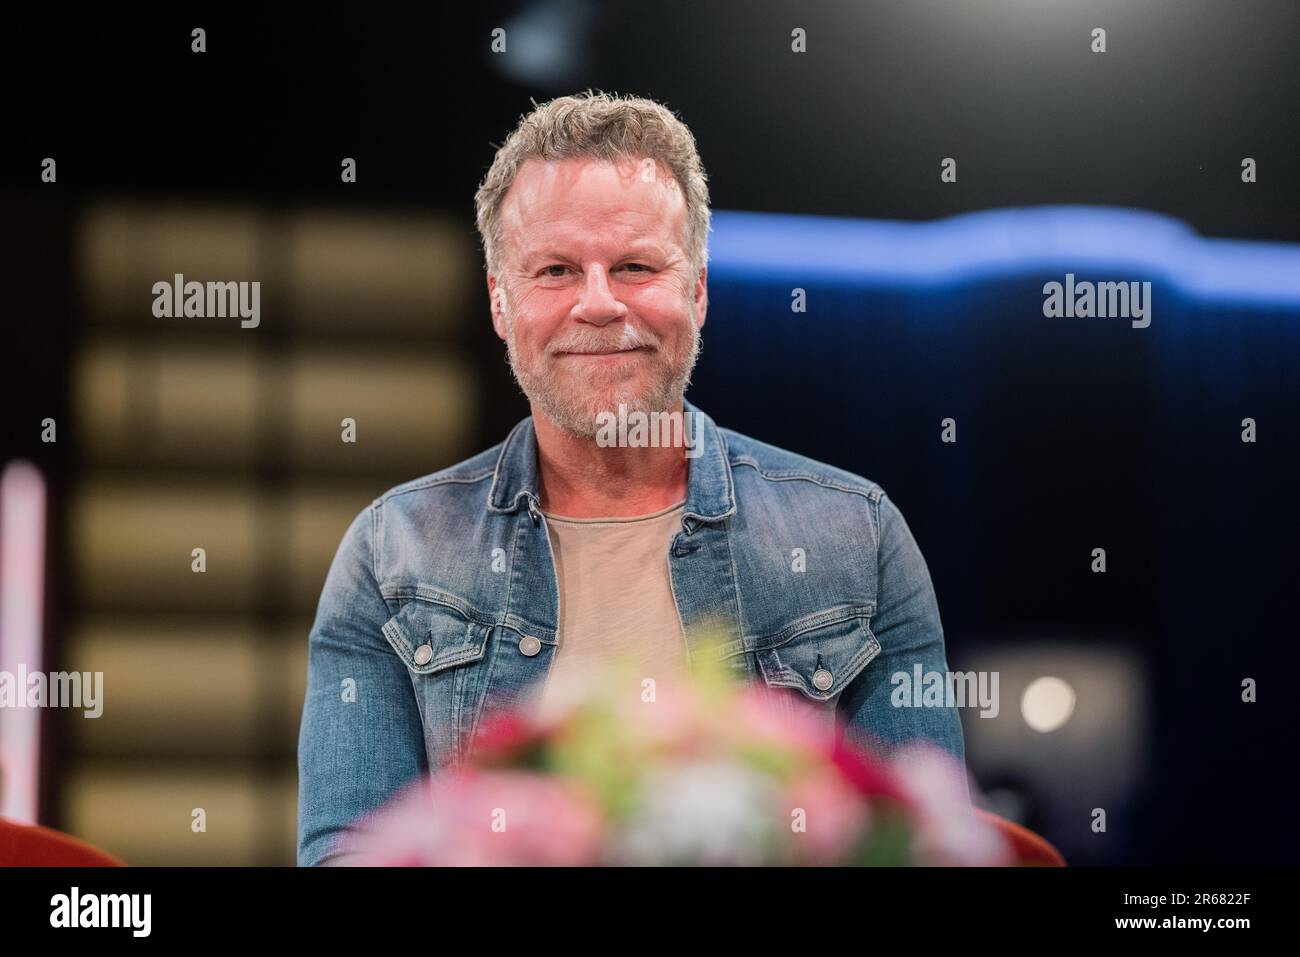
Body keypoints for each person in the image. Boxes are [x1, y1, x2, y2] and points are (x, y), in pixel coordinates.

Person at [297, 91, 965, 866]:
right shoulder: (393, 553)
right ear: (500, 304)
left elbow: (927, 850)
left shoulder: (860, 539)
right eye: (554, 270)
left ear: (699, 292)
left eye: (636, 266)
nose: (599, 302)